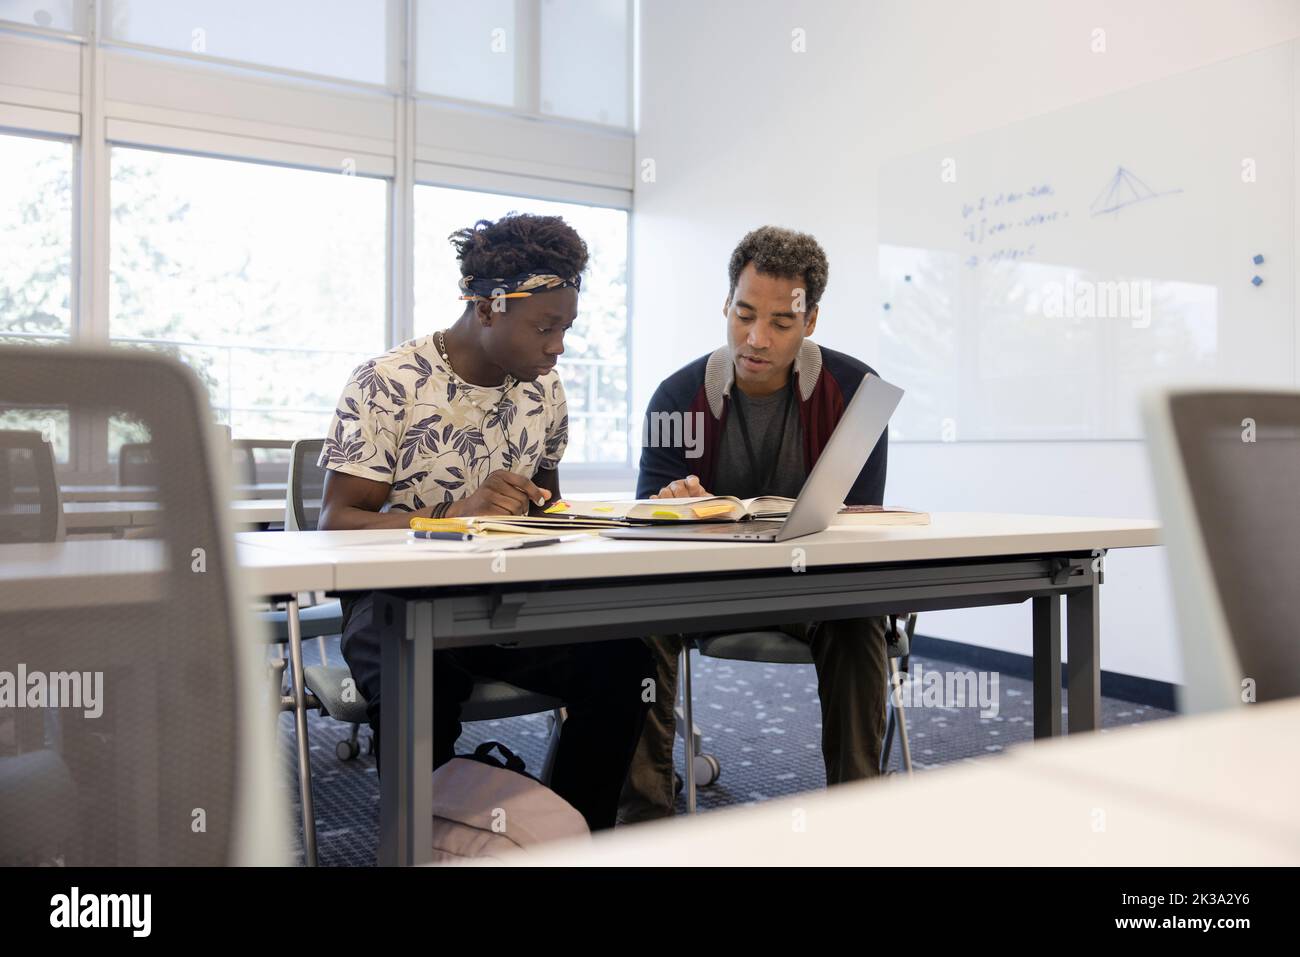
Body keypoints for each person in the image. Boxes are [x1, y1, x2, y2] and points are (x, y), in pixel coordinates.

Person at [318, 212, 651, 831]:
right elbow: (338, 522)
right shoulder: (388, 383)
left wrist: (586, 522)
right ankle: (428, 842)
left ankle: (572, 836)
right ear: (489, 307)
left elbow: (545, 505)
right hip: (396, 602)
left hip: (507, 599)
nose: (558, 346)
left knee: (622, 664)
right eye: (546, 327)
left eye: (566, 328)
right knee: (422, 679)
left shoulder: (543, 391)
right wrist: (454, 514)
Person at [618, 225, 891, 824]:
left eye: (781, 323)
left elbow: (859, 524)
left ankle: (860, 818)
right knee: (635, 621)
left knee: (858, 619)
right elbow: (646, 525)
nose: (756, 338)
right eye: (743, 314)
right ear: (726, 305)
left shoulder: (854, 394)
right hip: (705, 587)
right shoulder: (677, 396)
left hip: (808, 586)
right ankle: (643, 823)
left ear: (811, 320)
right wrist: (674, 502)